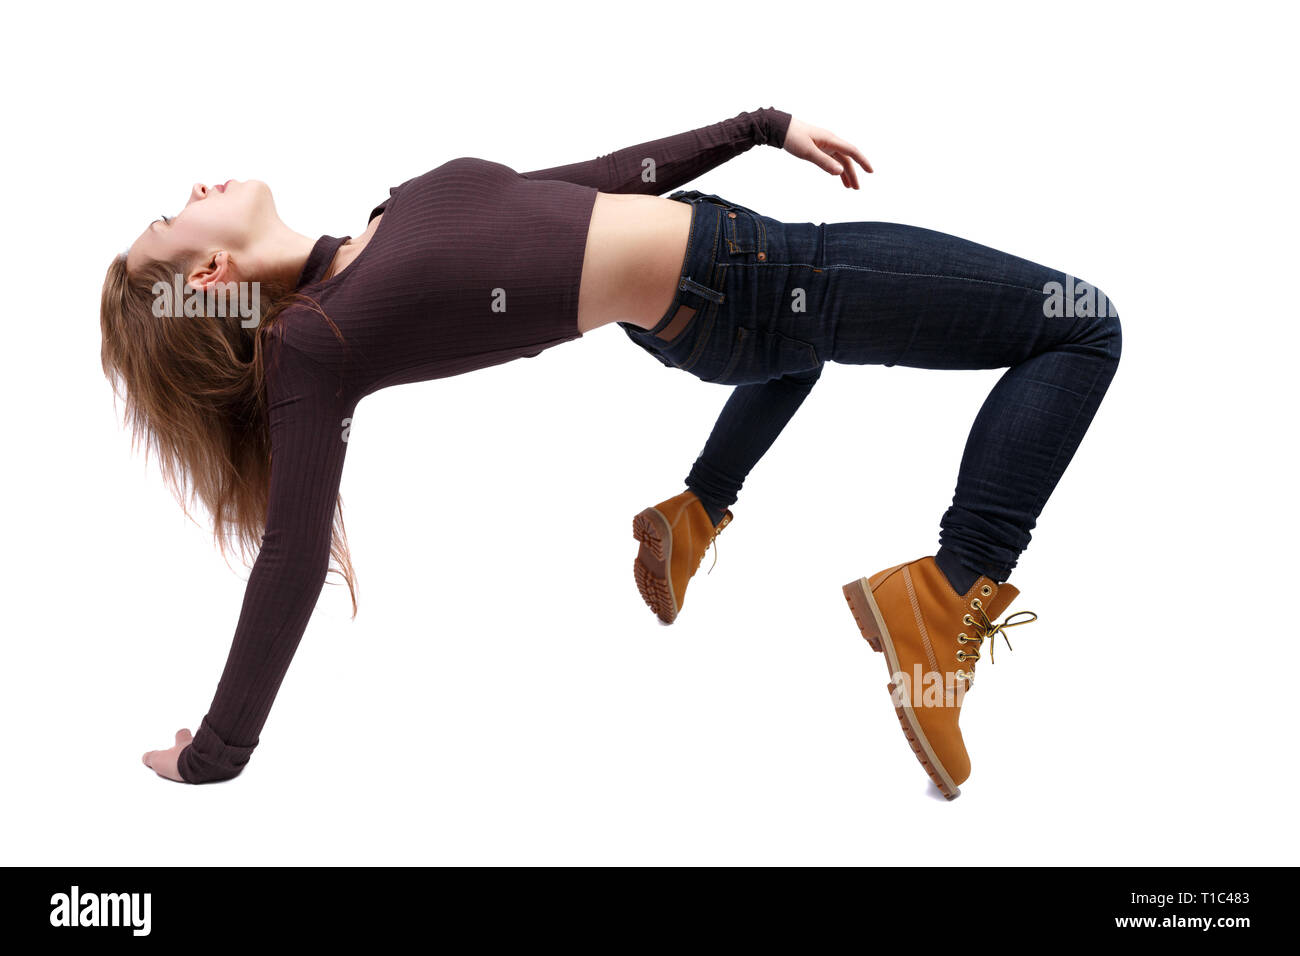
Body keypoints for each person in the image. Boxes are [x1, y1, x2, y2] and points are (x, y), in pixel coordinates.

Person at [103, 106, 1119, 798]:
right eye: (172, 214)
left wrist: (757, 127)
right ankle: (946, 592)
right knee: (1080, 325)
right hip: (752, 280)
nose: (192, 186)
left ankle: (690, 516)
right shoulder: (311, 340)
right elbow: (291, 554)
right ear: (207, 278)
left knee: (800, 354)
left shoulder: (382, 221)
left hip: (726, 270)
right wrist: (218, 752)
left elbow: (590, 185)